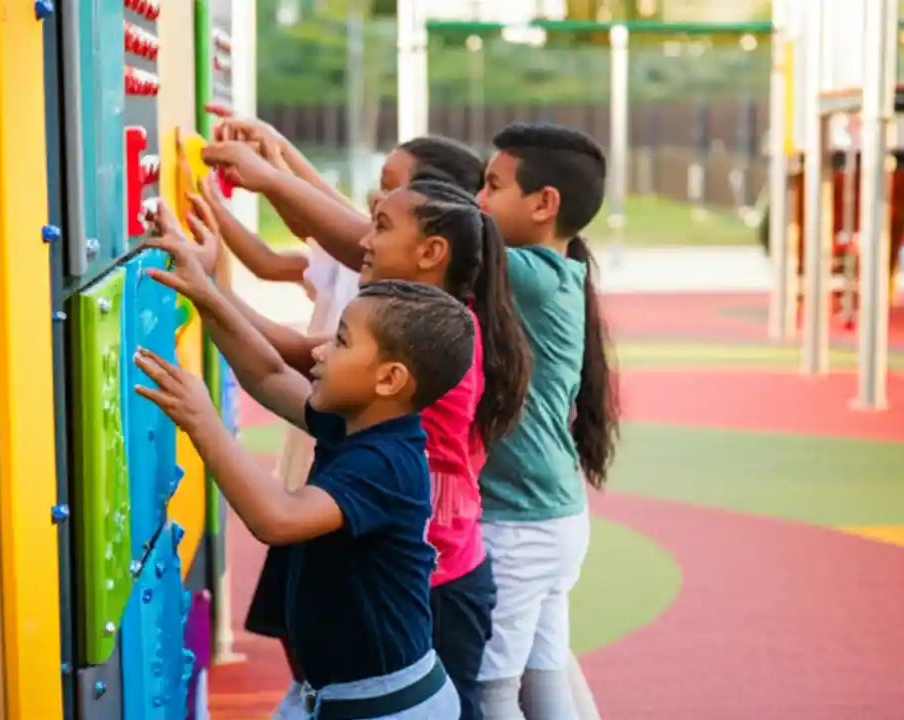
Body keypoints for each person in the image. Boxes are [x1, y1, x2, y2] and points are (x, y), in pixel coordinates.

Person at [198, 130, 530, 719]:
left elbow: (290, 363)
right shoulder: (395, 351)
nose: (363, 240)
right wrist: (205, 287)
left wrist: (270, 178)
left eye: (380, 226)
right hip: (390, 552)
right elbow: (277, 370)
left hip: (436, 573)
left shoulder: (407, 395)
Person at [135, 205, 474, 718]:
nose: (317, 353)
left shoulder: (387, 462)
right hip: (339, 697)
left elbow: (279, 517)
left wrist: (202, 420)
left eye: (339, 342)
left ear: (388, 379)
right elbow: (269, 374)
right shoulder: (357, 421)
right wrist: (203, 291)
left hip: (385, 708)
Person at [473, 123, 619, 720]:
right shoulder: (557, 272)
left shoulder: (527, 273)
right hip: (551, 516)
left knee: (492, 690)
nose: (479, 201)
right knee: (541, 675)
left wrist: (276, 172)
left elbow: (385, 242)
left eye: (492, 186)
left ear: (544, 204)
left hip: (517, 526)